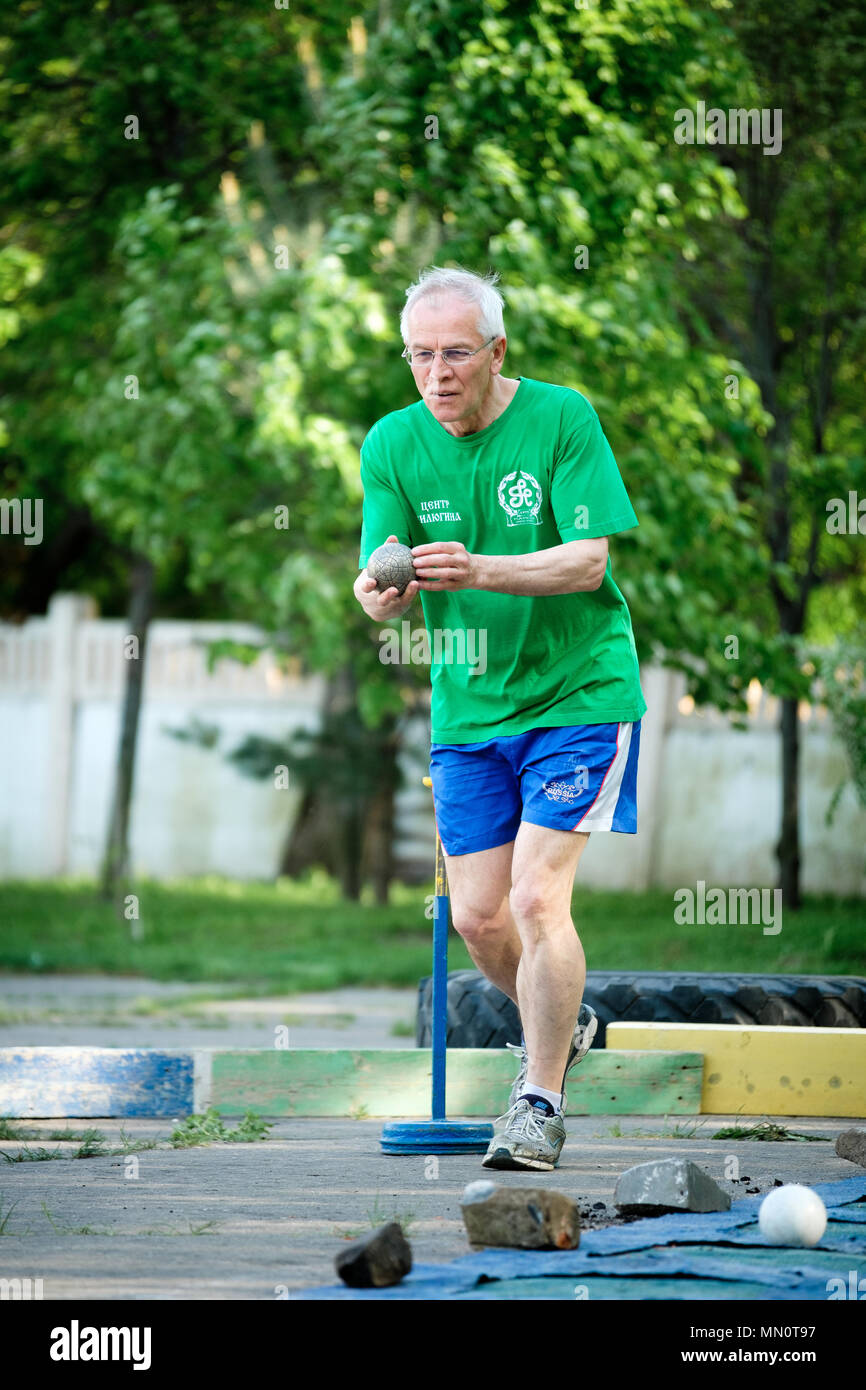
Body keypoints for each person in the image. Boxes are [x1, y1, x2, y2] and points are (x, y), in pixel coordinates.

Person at [353, 266, 646, 1170]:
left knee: (533, 896)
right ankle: (563, 1021)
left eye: (453, 353)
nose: (436, 373)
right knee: (480, 920)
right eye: (418, 355)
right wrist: (380, 597)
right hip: (469, 709)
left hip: (578, 694)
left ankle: (539, 1101)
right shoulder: (393, 444)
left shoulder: (562, 418)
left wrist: (477, 568)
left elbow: (589, 563)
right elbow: (376, 577)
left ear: (496, 351)